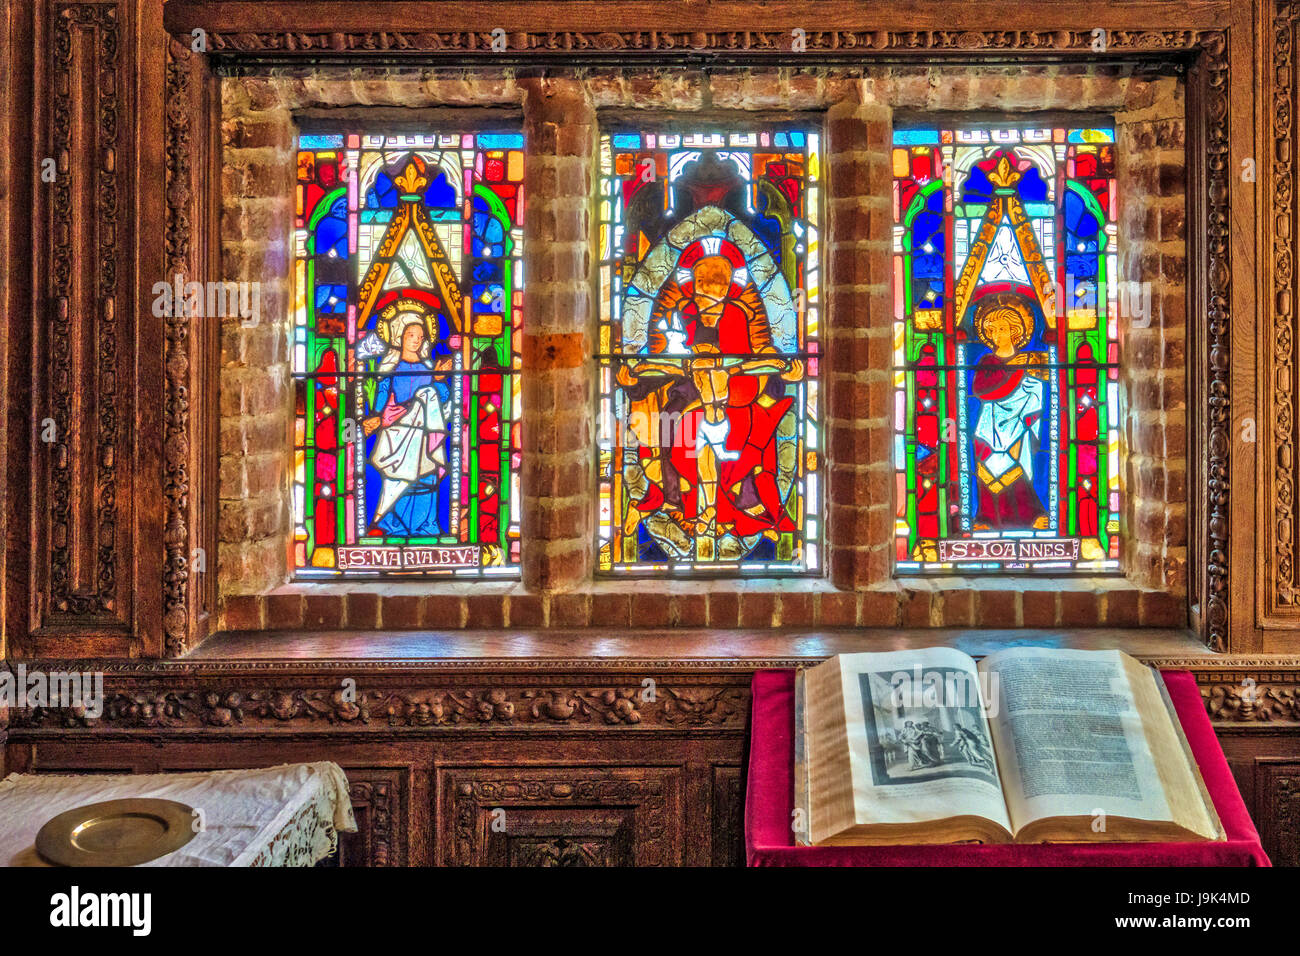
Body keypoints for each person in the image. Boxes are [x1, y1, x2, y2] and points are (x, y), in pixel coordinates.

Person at [361, 311, 453, 535]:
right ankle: (391, 525)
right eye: (411, 334)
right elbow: (381, 404)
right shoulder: (390, 371)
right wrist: (378, 416)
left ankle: (425, 525)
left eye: (420, 337)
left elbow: (443, 400)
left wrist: (439, 382)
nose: (415, 340)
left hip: (424, 435)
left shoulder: (430, 368)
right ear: (399, 337)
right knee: (397, 478)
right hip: (397, 435)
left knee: (426, 478)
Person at [970, 293, 1051, 531]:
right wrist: (1019, 369)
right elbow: (983, 390)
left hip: (1019, 427)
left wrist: (1029, 372)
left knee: (1018, 472)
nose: (997, 335)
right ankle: (985, 518)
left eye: (1002, 329)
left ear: (1016, 331)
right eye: (991, 330)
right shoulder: (987, 361)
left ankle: (1031, 516)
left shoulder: (1028, 361)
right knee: (987, 471)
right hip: (990, 426)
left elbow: (1037, 392)